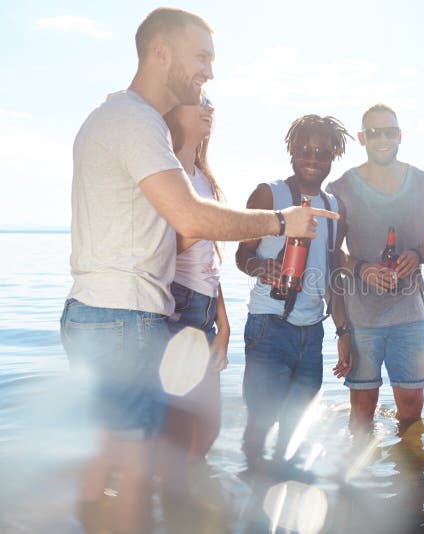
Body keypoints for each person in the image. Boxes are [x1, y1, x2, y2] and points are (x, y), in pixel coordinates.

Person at [58, 8, 336, 532]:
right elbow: (188, 218)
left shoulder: (115, 117)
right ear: (161, 51)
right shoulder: (136, 120)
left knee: (115, 453)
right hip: (124, 316)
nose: (209, 72)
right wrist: (282, 221)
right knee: (137, 466)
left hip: (102, 311)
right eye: (202, 57)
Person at [236, 115, 351, 469]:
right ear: (291, 152)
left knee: (296, 429)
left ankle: (282, 485)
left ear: (332, 157)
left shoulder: (335, 208)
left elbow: (333, 275)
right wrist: (262, 268)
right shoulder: (269, 194)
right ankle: (252, 485)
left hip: (312, 333)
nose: (312, 159)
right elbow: (242, 255)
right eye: (304, 150)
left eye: (321, 152)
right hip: (269, 326)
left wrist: (343, 332)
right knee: (259, 426)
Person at [326, 103, 424, 432]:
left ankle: (409, 465)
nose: (383, 139)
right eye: (374, 133)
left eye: (389, 132)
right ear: (362, 138)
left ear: (400, 135)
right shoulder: (340, 188)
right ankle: (361, 466)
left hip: (410, 312)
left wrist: (418, 254)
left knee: (412, 406)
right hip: (361, 316)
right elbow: (331, 253)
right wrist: (360, 267)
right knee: (362, 408)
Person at [158, 93, 229, 509]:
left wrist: (224, 326)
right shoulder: (165, 173)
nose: (209, 108)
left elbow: (210, 262)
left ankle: (186, 507)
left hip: (205, 308)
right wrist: (201, 225)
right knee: (182, 433)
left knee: (209, 428)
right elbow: (158, 252)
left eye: (210, 103)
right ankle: (175, 508)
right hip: (176, 307)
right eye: (198, 100)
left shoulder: (203, 177)